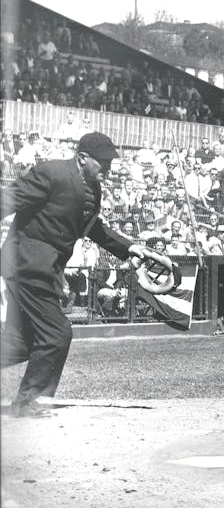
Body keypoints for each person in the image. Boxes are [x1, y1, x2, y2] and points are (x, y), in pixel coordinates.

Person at [0, 132, 149, 418]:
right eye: (102, 161)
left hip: (46, 269)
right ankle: (30, 401)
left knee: (21, 344)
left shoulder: (94, 189)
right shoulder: (51, 173)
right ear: (82, 158)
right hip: (25, 265)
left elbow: (95, 229)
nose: (107, 167)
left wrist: (131, 248)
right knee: (57, 333)